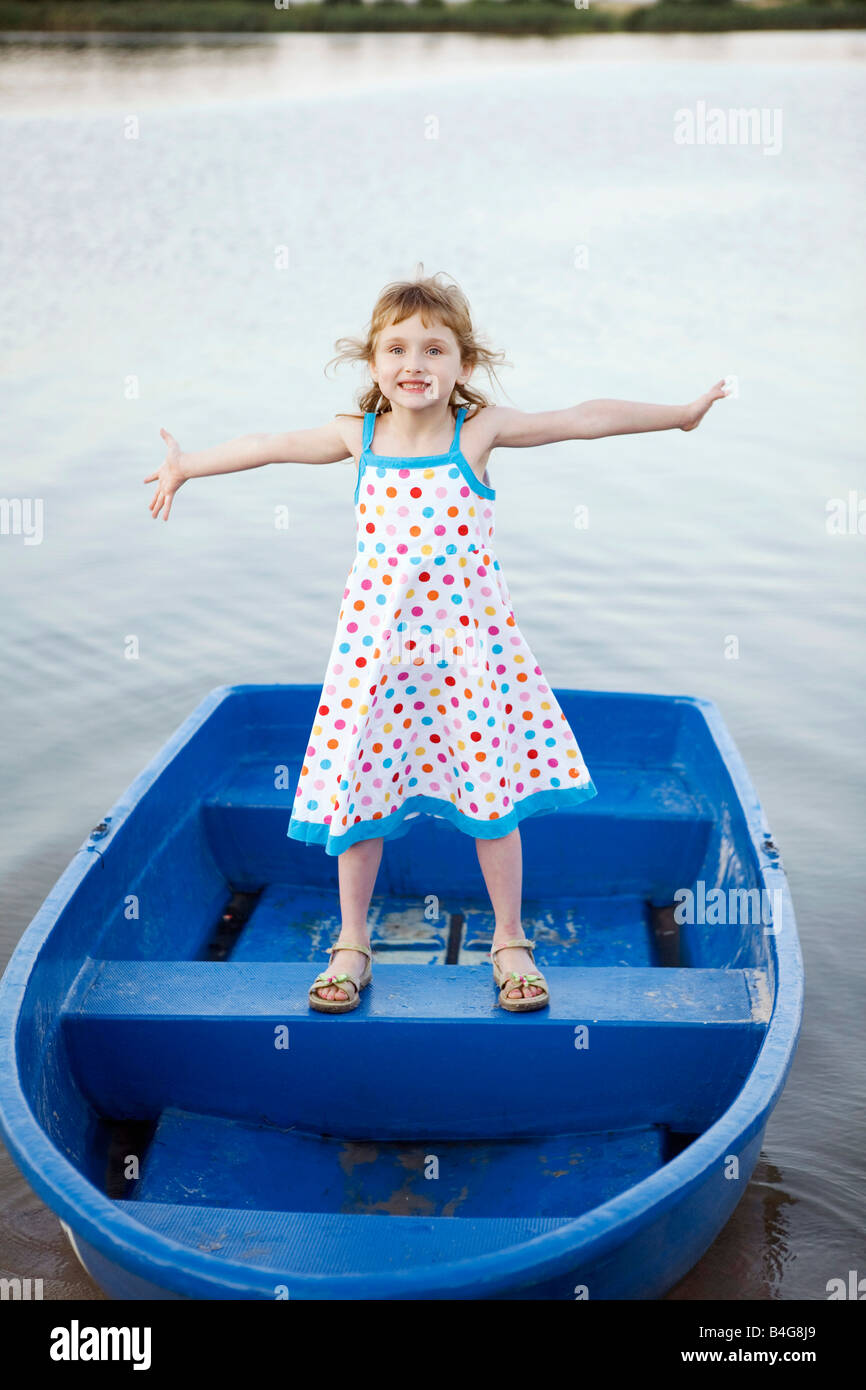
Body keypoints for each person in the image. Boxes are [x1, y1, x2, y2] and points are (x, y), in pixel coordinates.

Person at [144, 267, 727, 1016]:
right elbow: (268, 444)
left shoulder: (477, 432)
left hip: (467, 656)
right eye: (396, 349)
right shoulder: (356, 437)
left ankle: (510, 940)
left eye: (433, 349)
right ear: (373, 364)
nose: (413, 364)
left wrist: (679, 414)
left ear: (464, 364)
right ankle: (352, 943)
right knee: (356, 801)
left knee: (494, 799)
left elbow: (582, 416)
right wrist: (188, 464)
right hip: (376, 657)